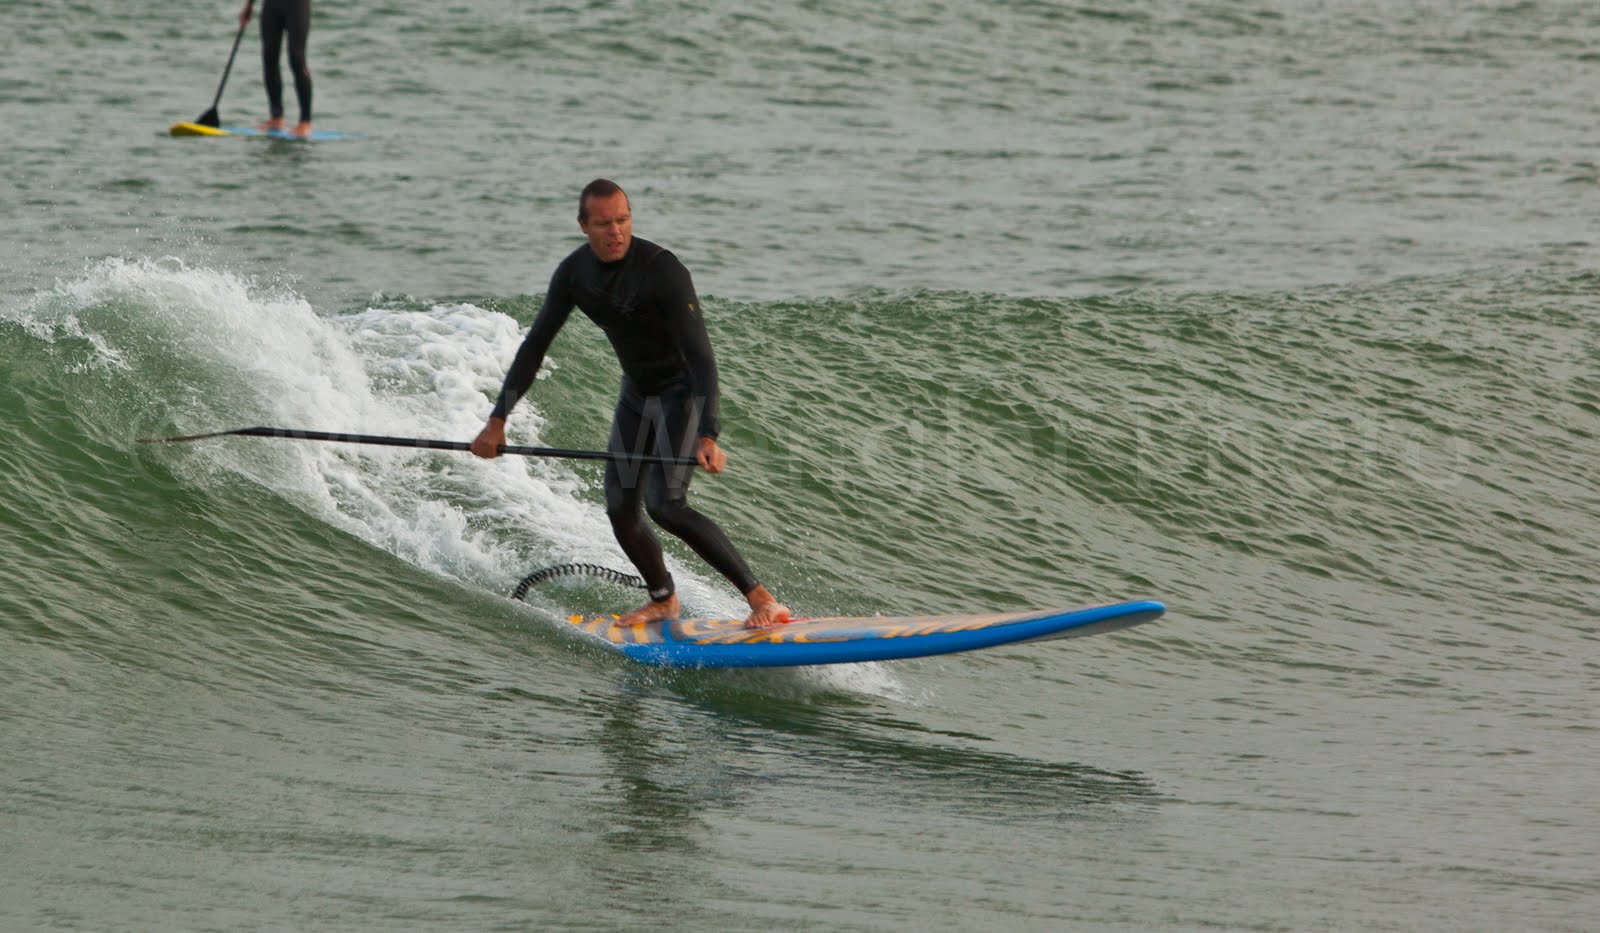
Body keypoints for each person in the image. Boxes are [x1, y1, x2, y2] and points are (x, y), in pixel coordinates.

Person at [471, 179, 791, 629]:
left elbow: (701, 357)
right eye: (603, 224)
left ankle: (762, 600)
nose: (615, 231)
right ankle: (662, 598)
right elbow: (535, 347)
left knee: (666, 504)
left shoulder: (664, 270)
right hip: (637, 396)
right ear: (584, 225)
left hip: (680, 393)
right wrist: (497, 421)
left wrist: (708, 432)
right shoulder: (573, 274)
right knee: (621, 509)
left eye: (623, 220)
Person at [238, 0, 313, 138]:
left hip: (296, 6)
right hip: (271, 5)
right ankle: (276, 118)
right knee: (269, 57)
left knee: (296, 58)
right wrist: (249, 6)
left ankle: (305, 122)